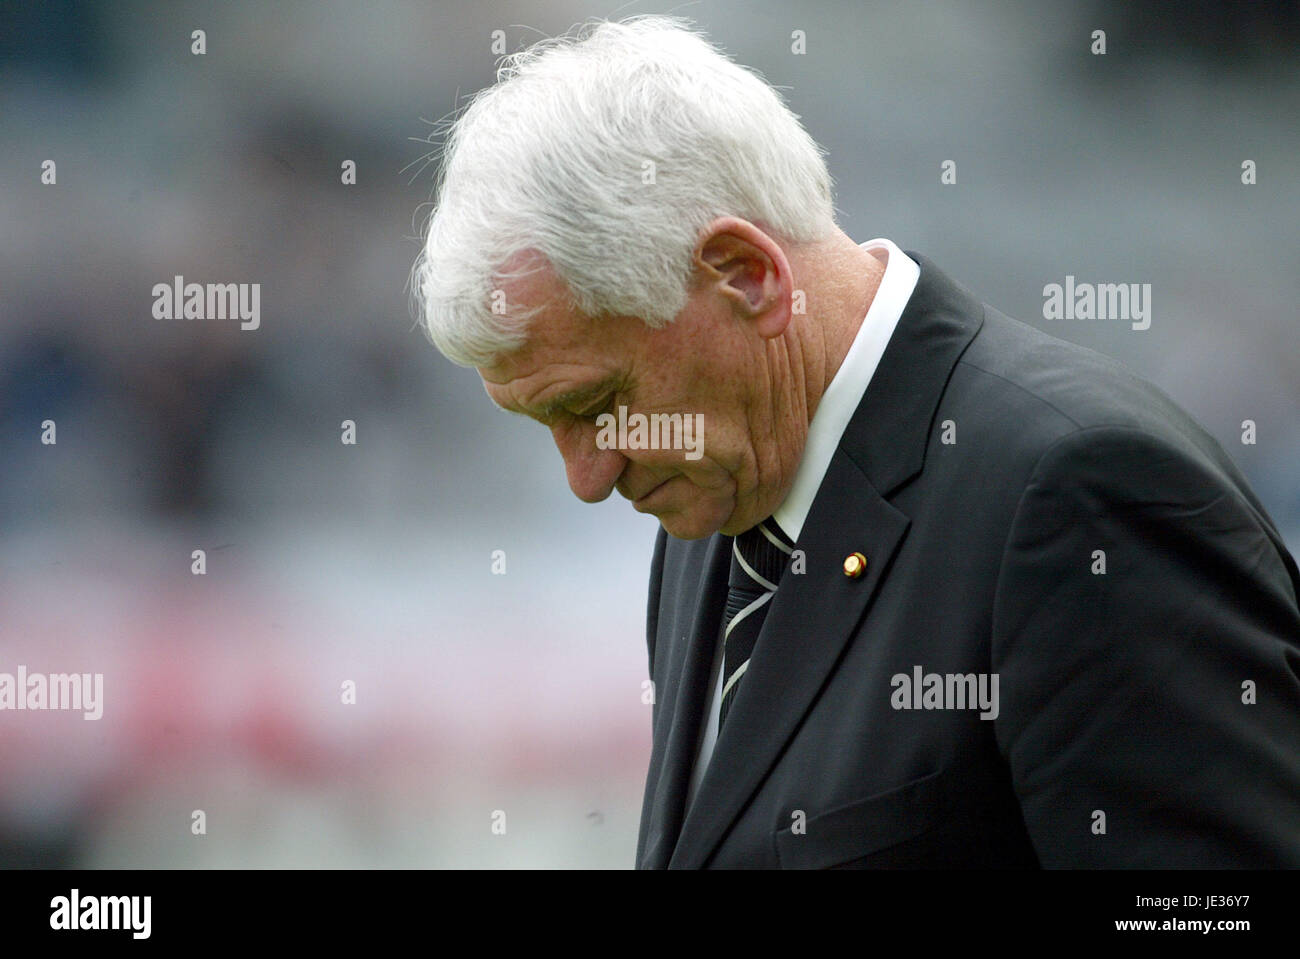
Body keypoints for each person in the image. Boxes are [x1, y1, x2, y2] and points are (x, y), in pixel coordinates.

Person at [412, 15, 1300, 867]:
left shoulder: (1081, 496)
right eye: (546, 427)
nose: (588, 476)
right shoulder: (718, 503)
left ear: (747, 276)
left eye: (600, 403)